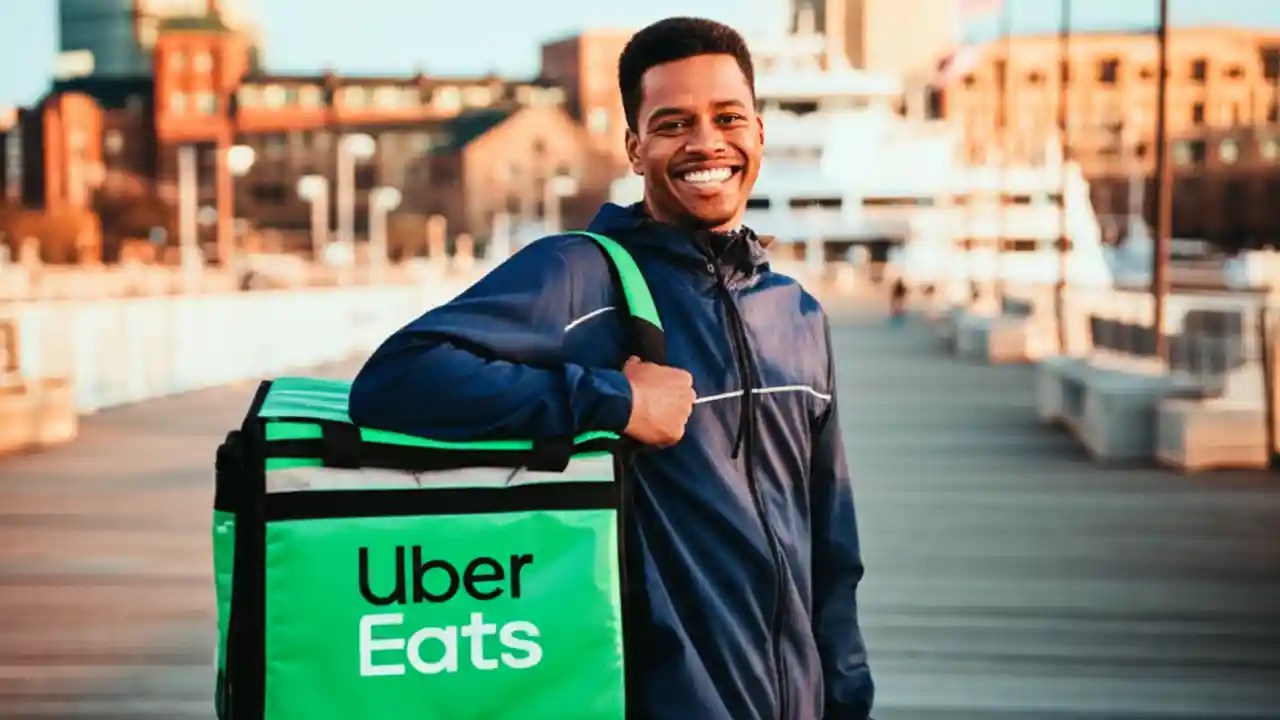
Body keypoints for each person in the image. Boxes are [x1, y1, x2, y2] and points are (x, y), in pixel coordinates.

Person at [348, 16, 874, 720]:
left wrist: (847, 696)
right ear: (634, 147)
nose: (706, 143)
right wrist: (610, 401)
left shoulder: (798, 314)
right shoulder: (579, 276)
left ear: (759, 132)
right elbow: (395, 380)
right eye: (673, 123)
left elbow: (832, 551)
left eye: (728, 118)